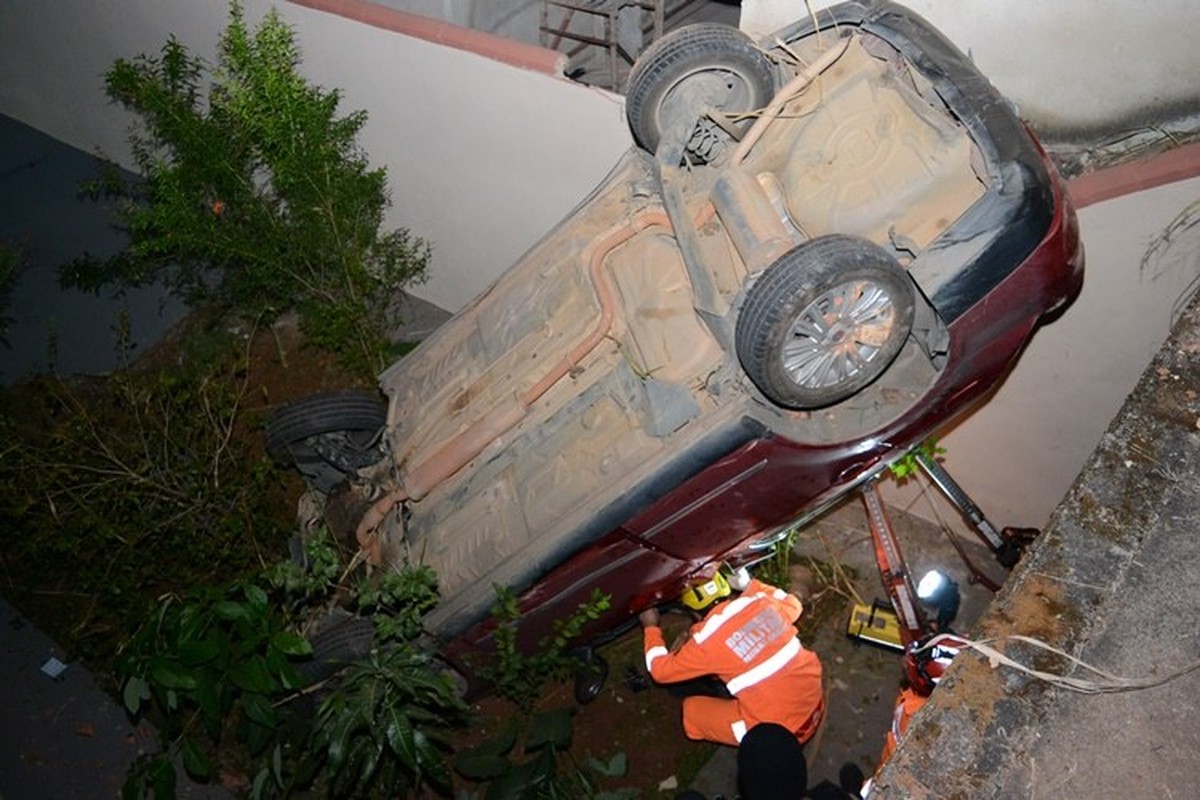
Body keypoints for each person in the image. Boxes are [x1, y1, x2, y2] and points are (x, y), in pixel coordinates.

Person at [639, 573, 824, 747]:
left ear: (694, 613)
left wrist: (651, 627)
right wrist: (750, 585)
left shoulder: (706, 643)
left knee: (692, 711)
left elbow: (659, 671)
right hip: (814, 703)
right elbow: (793, 604)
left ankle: (748, 742)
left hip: (781, 736)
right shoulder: (762, 603)